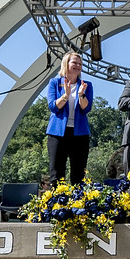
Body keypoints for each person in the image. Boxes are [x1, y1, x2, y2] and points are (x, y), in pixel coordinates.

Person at [44, 52, 93, 184]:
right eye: (74, 62)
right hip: (57, 133)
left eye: (80, 64)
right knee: (56, 173)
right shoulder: (54, 82)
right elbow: (53, 107)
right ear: (66, 64)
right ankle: (57, 203)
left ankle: (77, 202)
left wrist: (81, 94)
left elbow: (86, 109)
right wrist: (65, 95)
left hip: (79, 134)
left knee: (78, 174)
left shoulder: (86, 85)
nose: (78, 66)